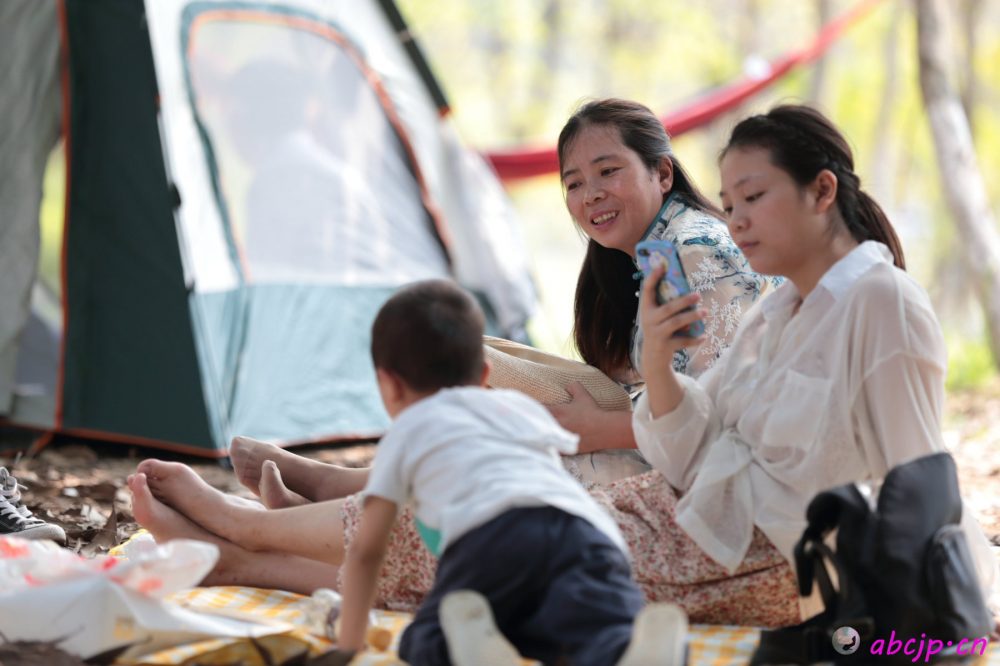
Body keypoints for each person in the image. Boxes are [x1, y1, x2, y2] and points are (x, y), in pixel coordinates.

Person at [128, 103, 998, 626]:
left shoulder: (881, 305)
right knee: (494, 551)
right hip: (694, 512)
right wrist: (657, 363)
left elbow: (916, 478)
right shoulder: (784, 308)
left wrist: (910, 622)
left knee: (488, 533)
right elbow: (691, 444)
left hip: (768, 559)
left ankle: (248, 529)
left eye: (754, 198)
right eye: (728, 201)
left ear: (822, 191)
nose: (734, 220)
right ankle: (242, 558)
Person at [224, 97, 774, 499]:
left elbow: (727, 413)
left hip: (721, 477)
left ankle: (333, 496)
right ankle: (344, 489)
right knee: (484, 369)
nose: (591, 195)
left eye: (608, 171)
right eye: (575, 183)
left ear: (661, 172)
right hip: (668, 446)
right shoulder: (652, 251)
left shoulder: (695, 250)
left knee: (501, 462)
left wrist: (595, 426)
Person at [331, 279, 684, 665]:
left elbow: (366, 552)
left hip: (490, 541)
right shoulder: (518, 408)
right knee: (583, 629)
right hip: (586, 531)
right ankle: (629, 651)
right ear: (485, 374)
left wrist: (349, 644)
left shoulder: (410, 428)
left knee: (425, 639)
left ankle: (476, 649)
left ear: (389, 385)